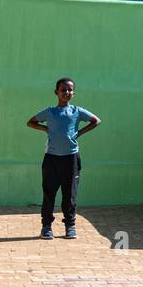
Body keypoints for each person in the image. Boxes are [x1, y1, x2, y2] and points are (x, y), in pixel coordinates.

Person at [26, 78, 100, 239]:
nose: (66, 93)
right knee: (49, 193)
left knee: (69, 194)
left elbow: (96, 121)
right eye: (63, 90)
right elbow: (30, 122)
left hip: (71, 158)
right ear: (56, 92)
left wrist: (79, 133)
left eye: (69, 90)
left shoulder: (77, 111)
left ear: (73, 93)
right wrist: (46, 129)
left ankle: (70, 226)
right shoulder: (50, 112)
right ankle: (46, 227)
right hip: (51, 158)